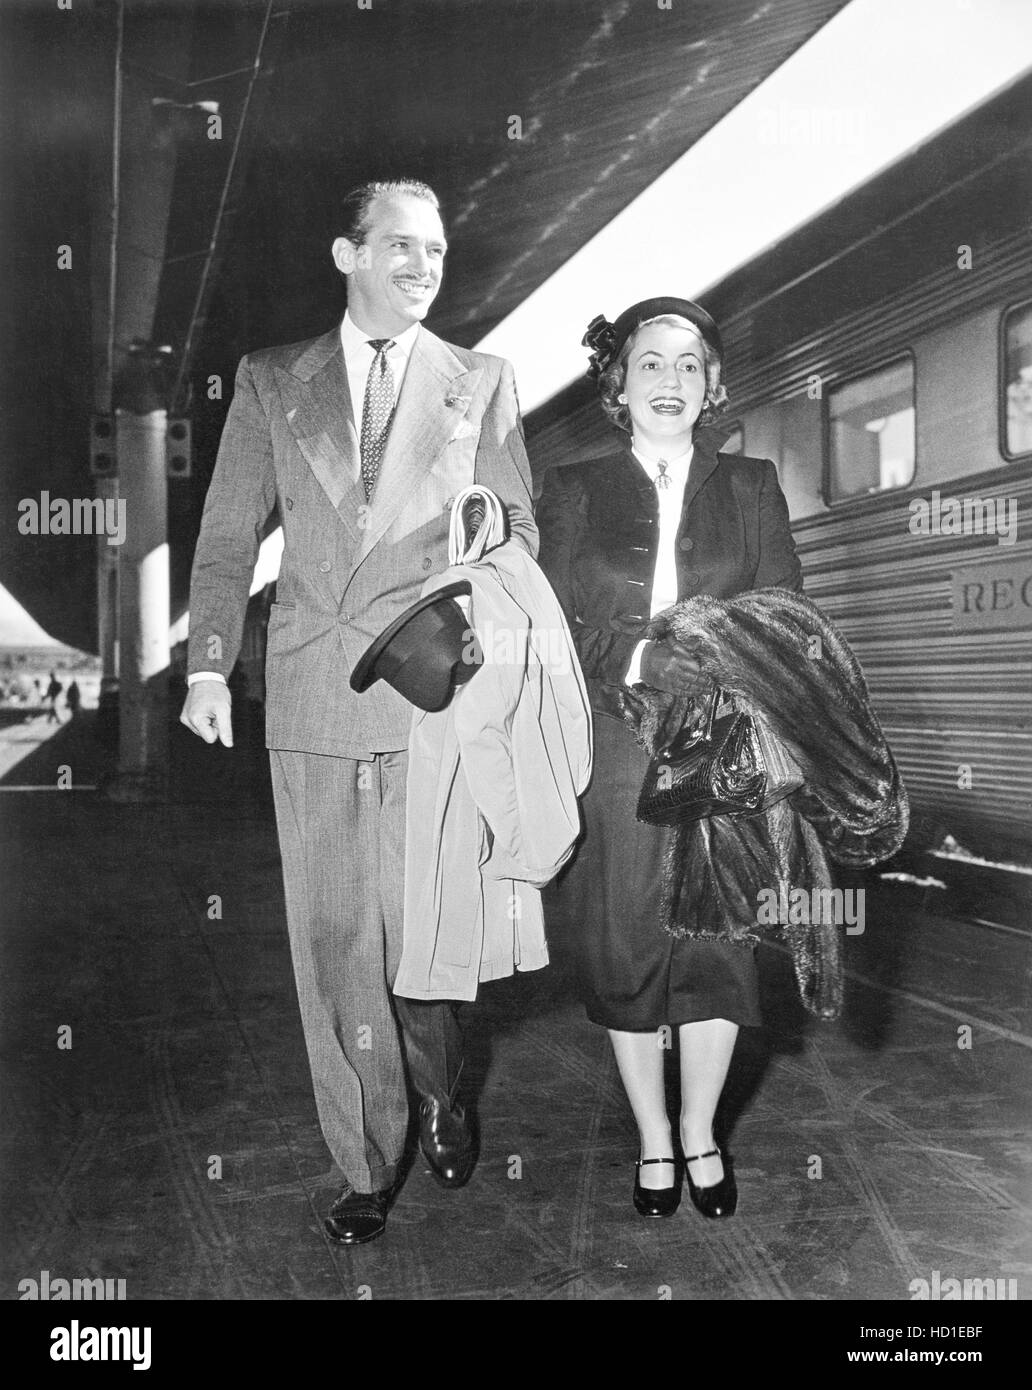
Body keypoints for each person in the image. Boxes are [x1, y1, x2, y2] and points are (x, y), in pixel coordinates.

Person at [180, 178, 537, 1244]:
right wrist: (208, 665)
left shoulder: (483, 380)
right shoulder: (270, 380)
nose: (425, 266)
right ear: (348, 254)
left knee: (425, 934)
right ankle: (365, 1157)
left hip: (432, 686)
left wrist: (490, 529)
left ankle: (443, 1084)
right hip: (312, 690)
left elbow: (517, 525)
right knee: (335, 938)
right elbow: (228, 534)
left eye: (436, 250)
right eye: (401, 247)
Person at [536, 297, 802, 1221]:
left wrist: (730, 664)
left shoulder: (752, 485)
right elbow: (556, 626)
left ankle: (700, 1135)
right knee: (627, 938)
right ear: (618, 383)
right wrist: (642, 655)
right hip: (617, 742)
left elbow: (788, 617)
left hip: (728, 745)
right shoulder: (570, 488)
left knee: (722, 945)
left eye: (689, 366)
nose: (670, 382)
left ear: (710, 387)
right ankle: (652, 1139)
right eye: (651, 363)